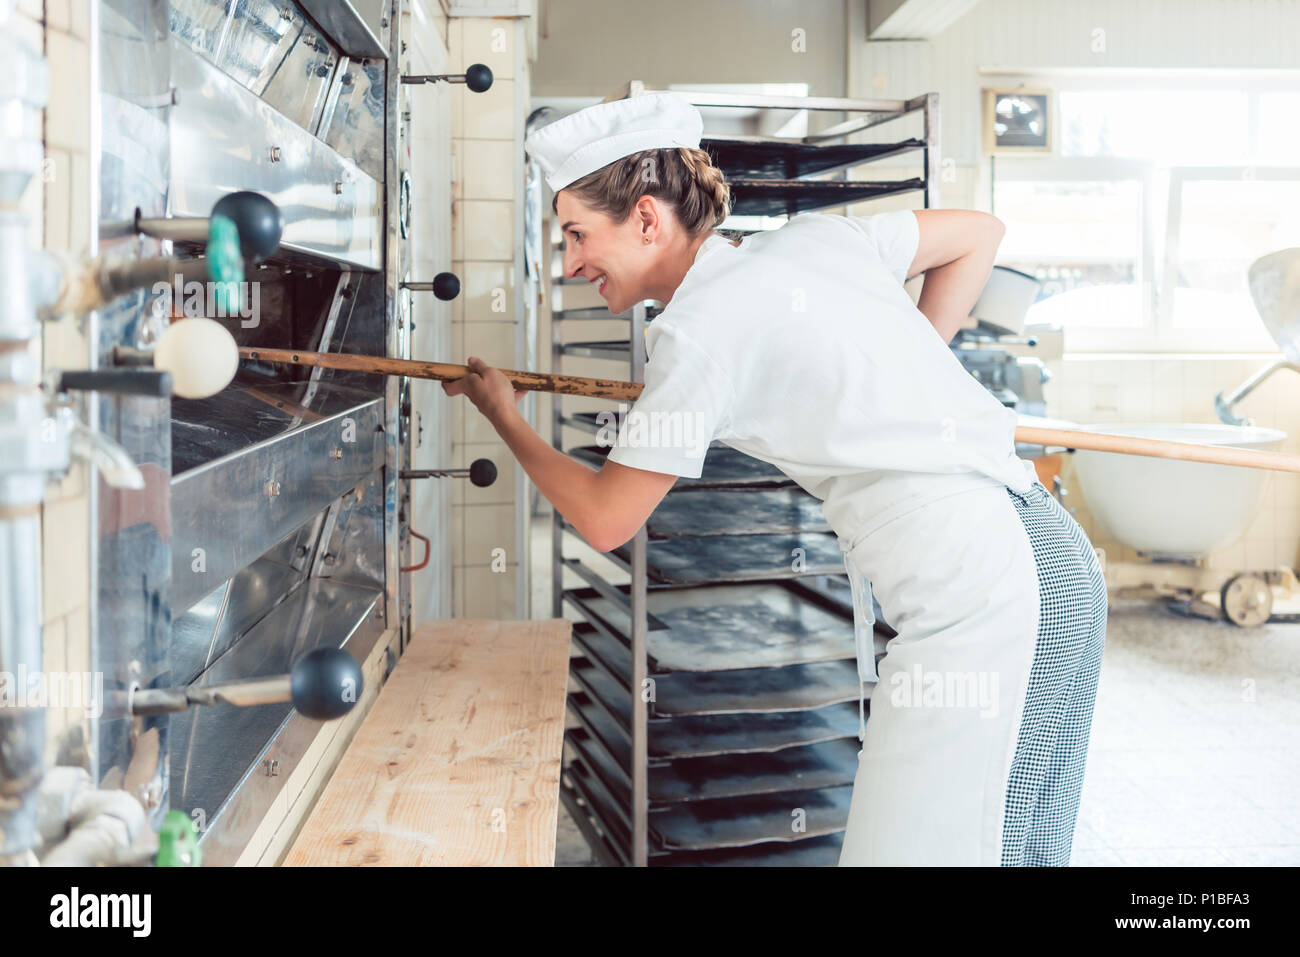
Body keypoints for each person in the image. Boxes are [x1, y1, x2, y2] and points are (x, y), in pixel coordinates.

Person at [442, 92, 1108, 866]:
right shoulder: (815, 240)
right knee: (1017, 845)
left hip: (984, 598)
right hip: (1053, 559)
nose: (571, 263)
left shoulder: (695, 334)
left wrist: (504, 416)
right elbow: (978, 235)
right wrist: (902, 376)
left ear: (648, 219)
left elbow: (604, 517)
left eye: (579, 236)